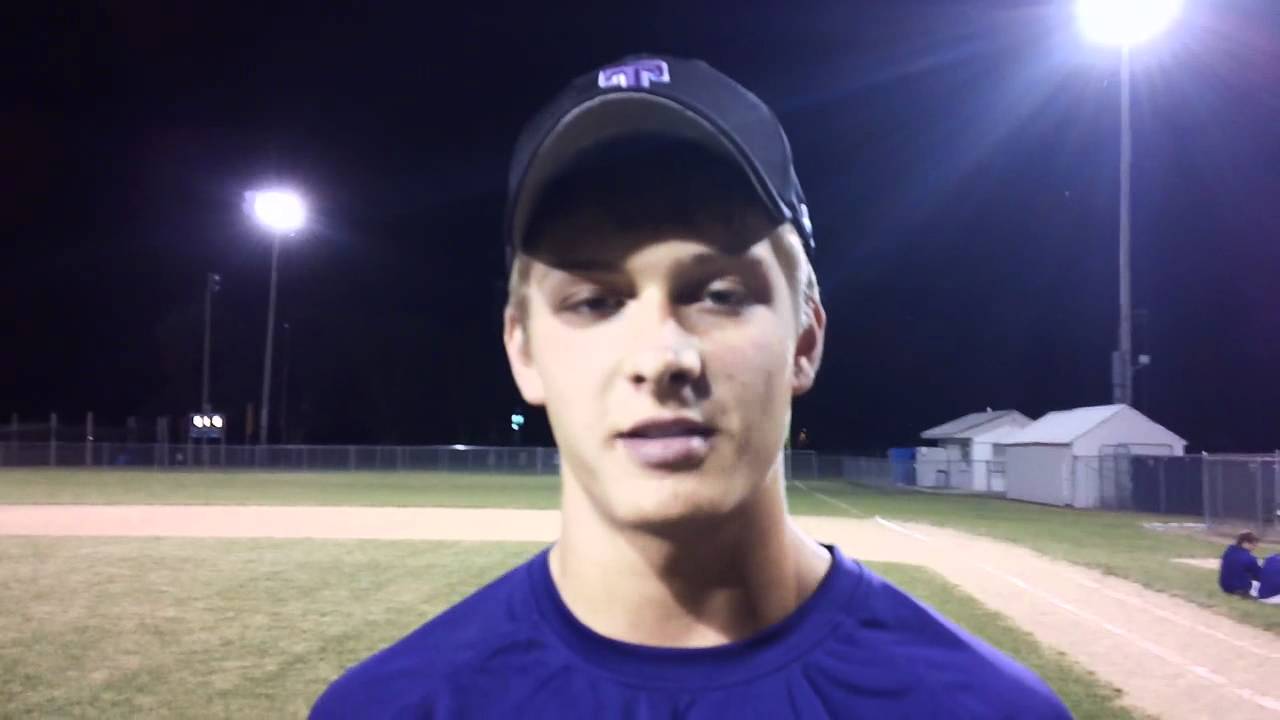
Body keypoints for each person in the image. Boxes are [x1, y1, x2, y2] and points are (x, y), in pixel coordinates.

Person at [311, 54, 1070, 718]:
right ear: (524, 352)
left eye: (720, 294)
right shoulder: (388, 709)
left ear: (804, 341)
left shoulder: (987, 710)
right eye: (595, 301)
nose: (664, 355)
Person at [1218, 530, 1262, 597]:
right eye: (1253, 545)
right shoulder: (1249, 558)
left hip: (1225, 588)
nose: (1254, 548)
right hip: (1241, 590)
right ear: (1245, 543)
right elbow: (1259, 576)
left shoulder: (1227, 552)